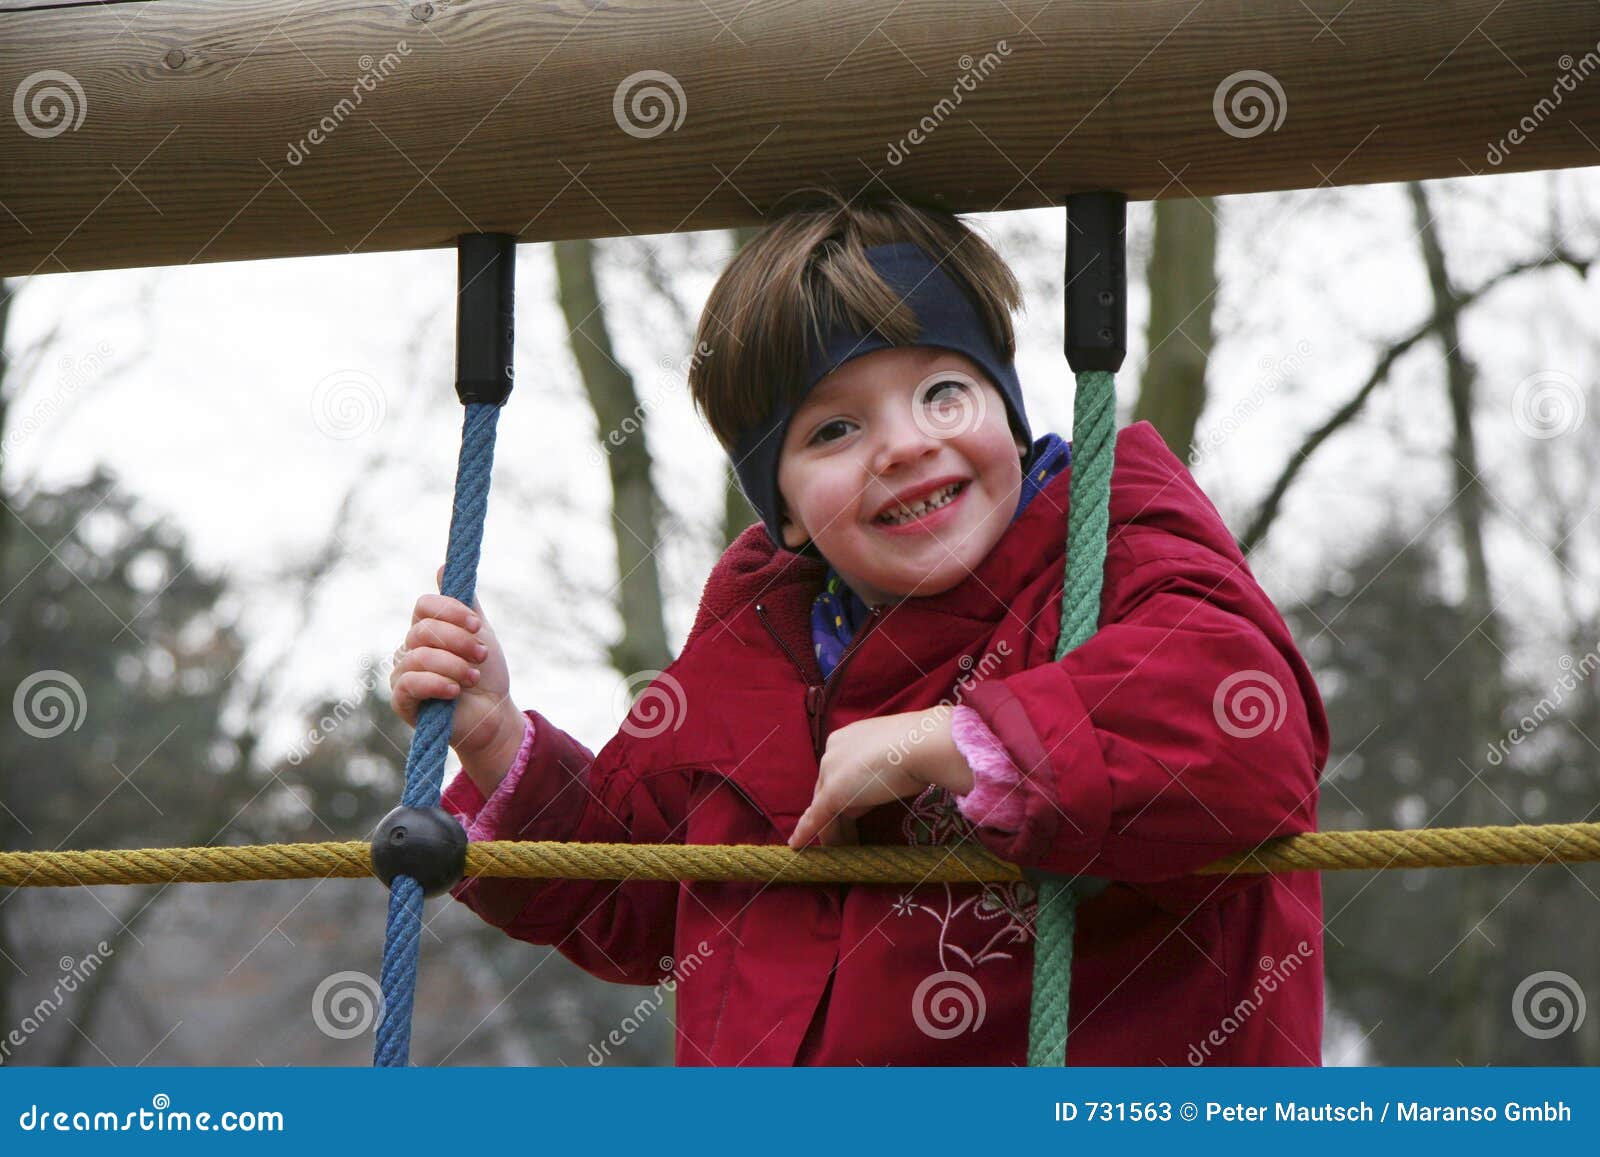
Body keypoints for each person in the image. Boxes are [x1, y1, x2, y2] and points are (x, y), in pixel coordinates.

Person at [388, 188, 1329, 1066]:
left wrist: (954, 742)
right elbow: (646, 898)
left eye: (944, 391)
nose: (907, 443)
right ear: (786, 512)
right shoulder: (755, 647)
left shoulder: (1110, 543)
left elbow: (1245, 734)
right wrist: (498, 742)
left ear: (1009, 410)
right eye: (834, 430)